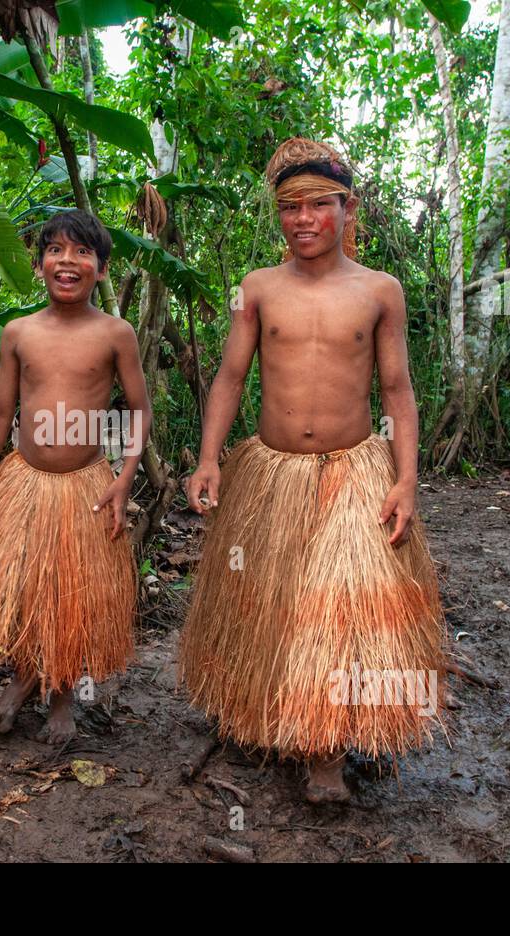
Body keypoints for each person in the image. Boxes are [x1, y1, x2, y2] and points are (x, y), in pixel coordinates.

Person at [180, 139, 448, 803]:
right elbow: (231, 376)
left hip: (354, 471)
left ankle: (325, 753)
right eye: (290, 207)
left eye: (318, 205)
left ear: (347, 207)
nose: (303, 219)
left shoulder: (379, 291)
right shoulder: (258, 289)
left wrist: (406, 478)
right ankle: (271, 710)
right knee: (272, 600)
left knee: (335, 608)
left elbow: (397, 389)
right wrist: (210, 456)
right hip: (271, 473)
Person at [0, 210, 151, 745]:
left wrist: (125, 477)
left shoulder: (115, 334)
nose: (68, 261)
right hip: (24, 482)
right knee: (29, 588)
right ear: (38, 266)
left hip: (86, 485)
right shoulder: (18, 333)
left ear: (100, 270)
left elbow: (139, 408)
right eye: (55, 250)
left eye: (82, 253)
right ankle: (20, 679)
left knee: (71, 595)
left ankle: (59, 699)